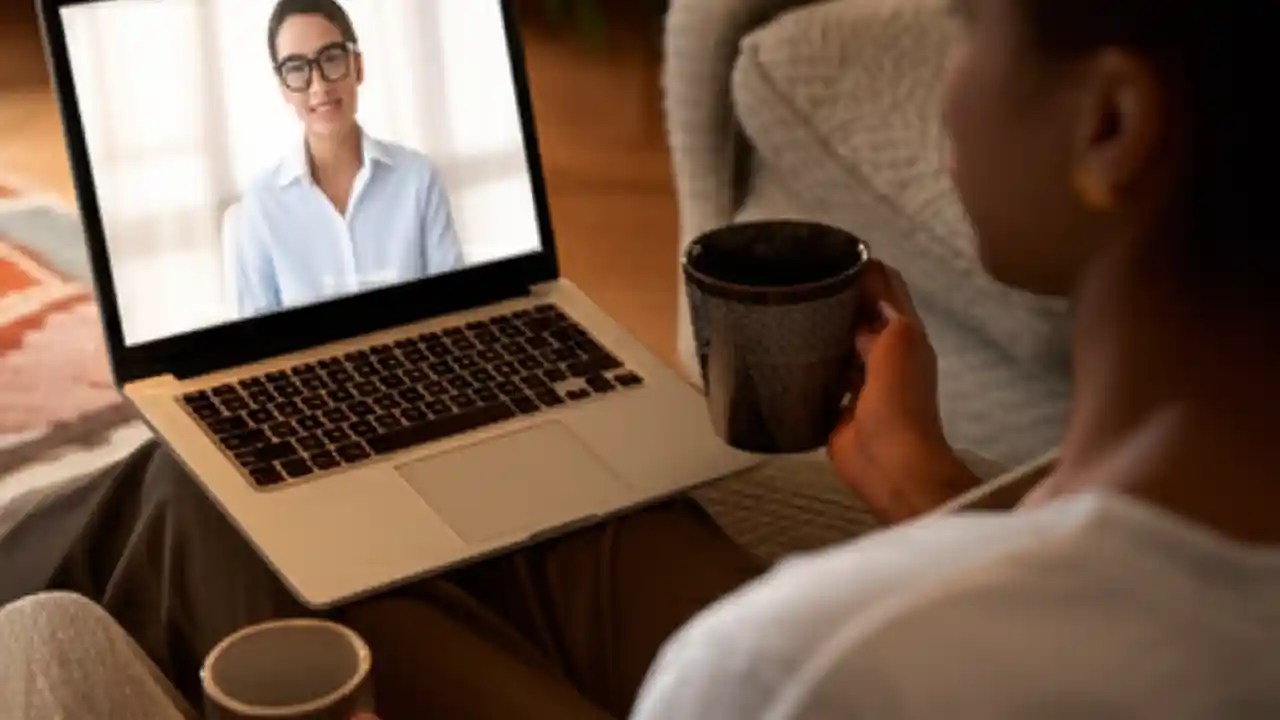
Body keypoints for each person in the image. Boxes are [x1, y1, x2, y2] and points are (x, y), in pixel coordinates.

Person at [2, 0, 1278, 716]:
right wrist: (925, 491)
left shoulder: (791, 666)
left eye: (968, 28)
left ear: (1109, 126)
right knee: (552, 510)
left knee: (198, 504)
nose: (944, 87)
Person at [232, 0, 464, 318]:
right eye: (297, 69)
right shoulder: (261, 204)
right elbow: (254, 343)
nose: (320, 86)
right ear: (283, 88)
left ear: (358, 66)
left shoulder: (418, 179)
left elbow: (456, 307)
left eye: (331, 58)